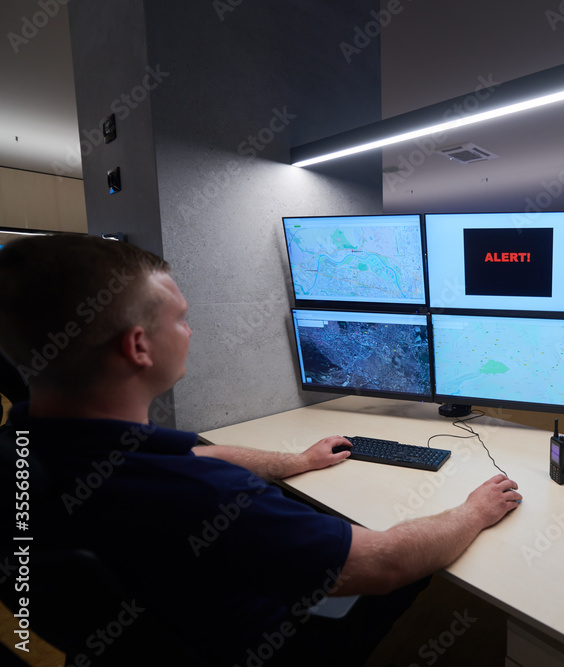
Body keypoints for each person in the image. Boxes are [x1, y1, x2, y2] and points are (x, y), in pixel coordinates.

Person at [0, 234, 522, 665]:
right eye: (180, 317)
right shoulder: (203, 497)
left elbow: (197, 457)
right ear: (139, 346)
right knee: (417, 562)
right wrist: (473, 511)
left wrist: (297, 463)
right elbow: (382, 563)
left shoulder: (24, 452)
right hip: (265, 647)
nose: (190, 330)